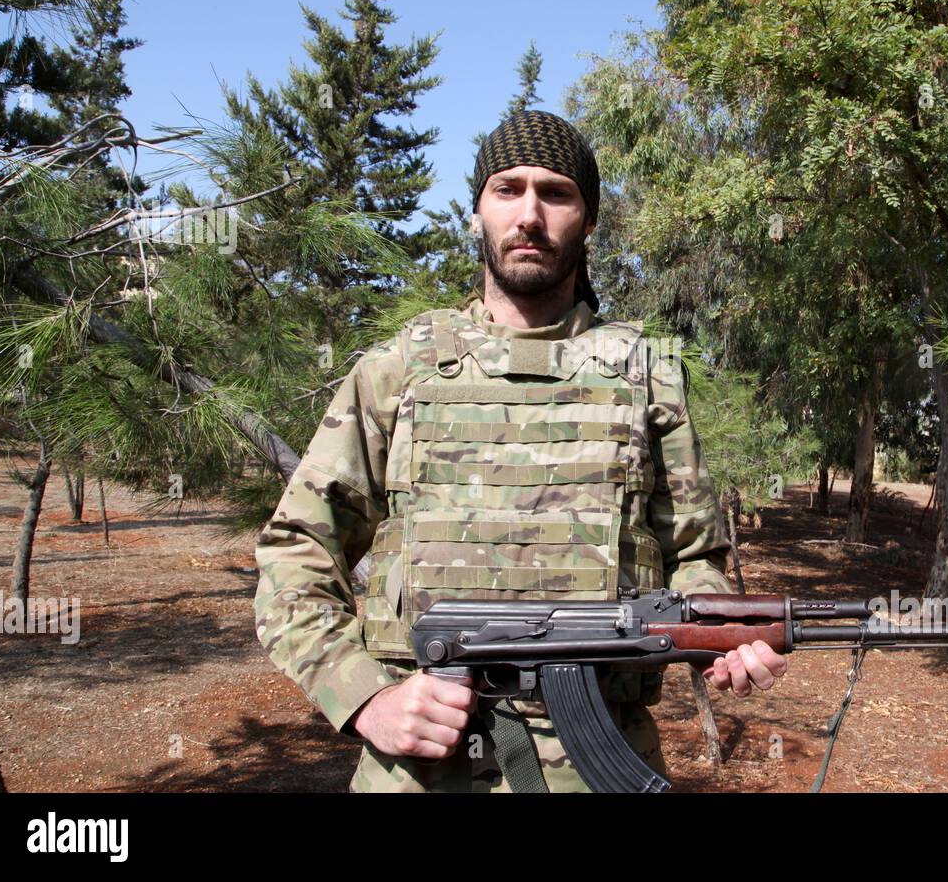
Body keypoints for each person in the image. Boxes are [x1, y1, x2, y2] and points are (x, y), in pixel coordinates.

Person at [254, 109, 788, 792]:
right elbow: (294, 554)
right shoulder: (398, 371)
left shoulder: (646, 373)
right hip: (421, 770)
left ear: (588, 221)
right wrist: (362, 696)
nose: (530, 214)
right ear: (477, 211)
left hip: (595, 770)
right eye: (507, 189)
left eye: (556, 193)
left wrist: (716, 634)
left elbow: (692, 556)